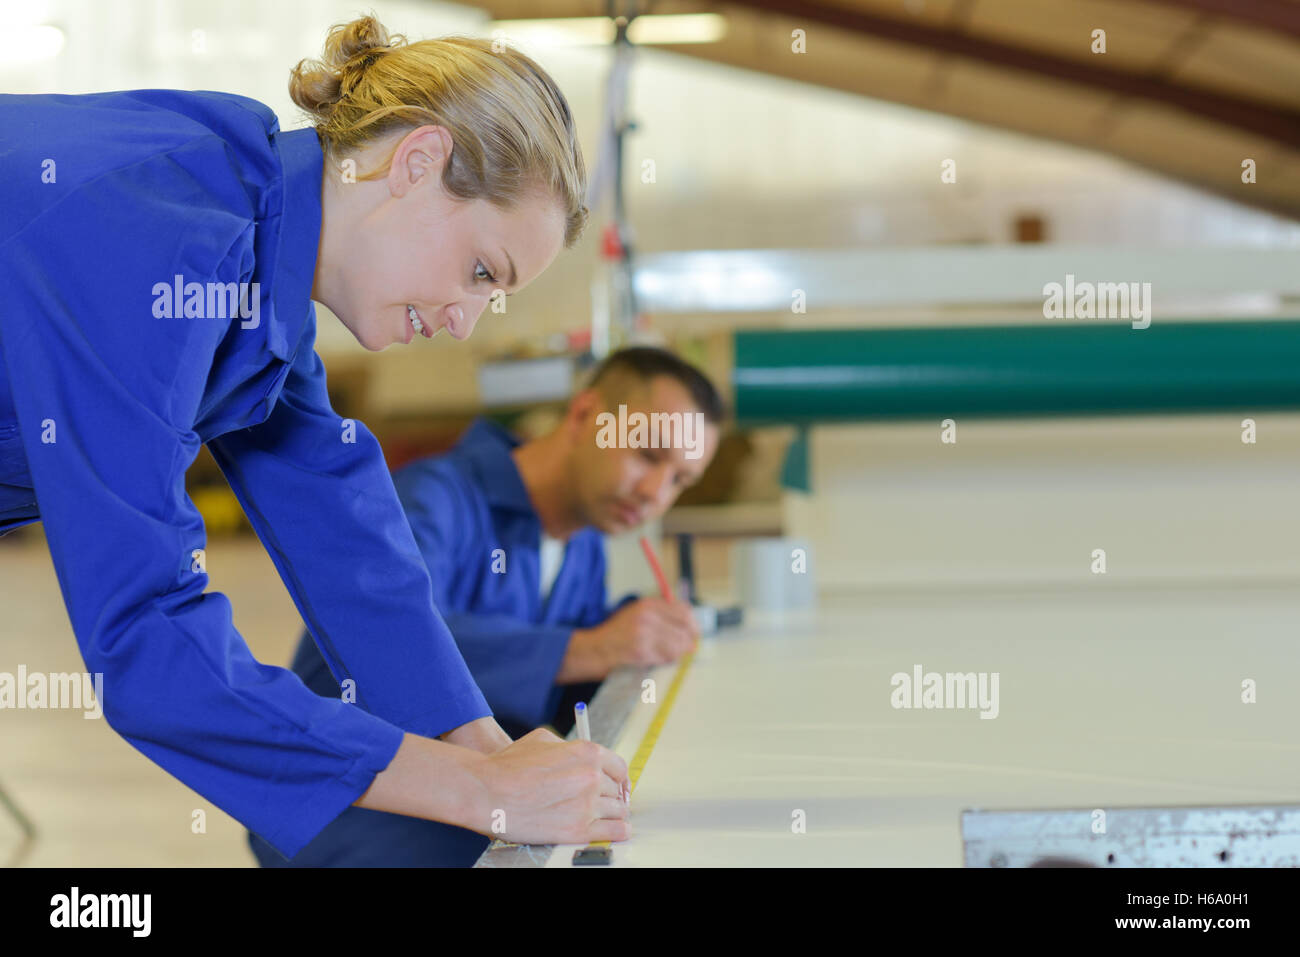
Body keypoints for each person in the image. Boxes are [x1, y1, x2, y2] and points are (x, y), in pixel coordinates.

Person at [0, 15, 630, 861]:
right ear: (417, 162)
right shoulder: (160, 232)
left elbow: (343, 531)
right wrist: (473, 790)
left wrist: (486, 748)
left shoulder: (256, 228)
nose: (465, 321)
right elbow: (147, 636)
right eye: (483, 272)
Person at [250, 346, 723, 866]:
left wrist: (629, 630)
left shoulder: (583, 542)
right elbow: (382, 655)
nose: (657, 492)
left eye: (681, 479)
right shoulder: (432, 498)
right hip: (355, 811)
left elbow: (558, 666)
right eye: (647, 454)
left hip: (476, 798)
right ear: (587, 414)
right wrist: (589, 647)